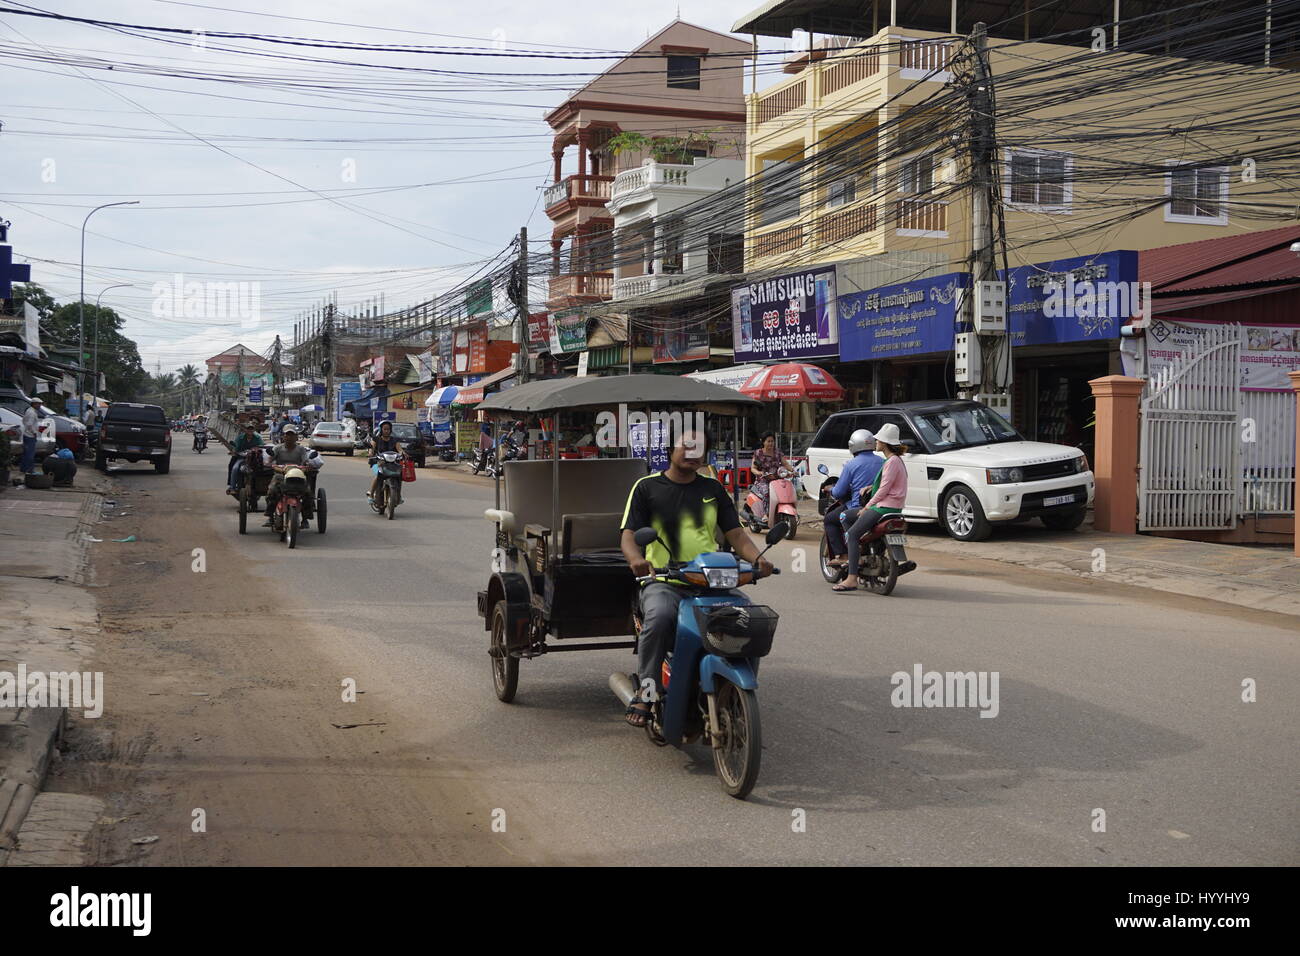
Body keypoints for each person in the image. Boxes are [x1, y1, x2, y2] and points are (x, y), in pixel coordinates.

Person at [619, 430, 774, 728]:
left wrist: (758, 559)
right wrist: (636, 559)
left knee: (747, 619)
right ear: (670, 449)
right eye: (686, 446)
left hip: (711, 581)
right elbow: (628, 534)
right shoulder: (646, 487)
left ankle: (735, 688)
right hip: (664, 581)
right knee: (660, 617)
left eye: (699, 448)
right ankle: (647, 691)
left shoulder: (713, 489)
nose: (692, 453)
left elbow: (736, 534)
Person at [833, 423, 915, 592]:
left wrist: (868, 506)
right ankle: (861, 554)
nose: (875, 442)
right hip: (893, 507)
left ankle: (851, 578)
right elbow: (888, 484)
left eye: (878, 440)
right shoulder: (894, 461)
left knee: (852, 533)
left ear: (884, 443)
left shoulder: (891, 462)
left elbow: (885, 490)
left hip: (883, 508)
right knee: (847, 516)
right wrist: (870, 487)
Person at [824, 429, 883, 567]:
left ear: (853, 445)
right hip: (880, 507)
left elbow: (838, 492)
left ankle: (843, 556)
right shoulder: (883, 461)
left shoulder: (851, 464)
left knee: (829, 520)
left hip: (858, 507)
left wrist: (830, 489)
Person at [263, 424, 313, 527]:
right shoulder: (277, 448)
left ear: (296, 437)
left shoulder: (301, 449)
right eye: (287, 435)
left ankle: (305, 518)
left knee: (308, 493)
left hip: (298, 476)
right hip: (281, 475)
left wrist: (307, 465)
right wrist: (270, 464)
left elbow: (306, 461)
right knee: (272, 491)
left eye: (292, 435)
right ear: (283, 436)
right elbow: (270, 460)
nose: (289, 437)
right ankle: (270, 516)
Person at [750, 432, 792, 526]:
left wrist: (792, 470)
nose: (771, 443)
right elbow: (753, 468)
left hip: (777, 479)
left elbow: (785, 464)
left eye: (772, 441)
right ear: (763, 442)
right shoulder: (758, 453)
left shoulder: (778, 453)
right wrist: (760, 473)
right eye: (768, 441)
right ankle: (765, 514)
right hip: (762, 480)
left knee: (786, 490)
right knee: (766, 492)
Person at [367, 420, 404, 501]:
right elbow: (371, 449)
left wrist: (402, 453)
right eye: (385, 429)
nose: (387, 431)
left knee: (399, 476)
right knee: (378, 475)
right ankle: (371, 494)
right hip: (379, 463)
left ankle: (398, 495)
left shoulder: (394, 440)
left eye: (388, 429)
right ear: (381, 430)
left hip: (392, 464)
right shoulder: (376, 439)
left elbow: (400, 449)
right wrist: (370, 453)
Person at [227, 421, 264, 495]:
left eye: (251, 429)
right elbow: (236, 448)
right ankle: (232, 487)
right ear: (245, 430)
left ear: (254, 430)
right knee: (235, 468)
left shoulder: (258, 437)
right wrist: (234, 452)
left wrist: (256, 450)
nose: (250, 431)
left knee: (262, 469)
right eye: (248, 429)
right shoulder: (240, 438)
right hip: (242, 458)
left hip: (254, 459)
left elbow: (262, 447)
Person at [19, 398, 41, 474]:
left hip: (26, 434)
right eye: (38, 404)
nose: (40, 405)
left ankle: (23, 469)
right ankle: (29, 470)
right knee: (30, 454)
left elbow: (24, 421)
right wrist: (34, 432)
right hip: (30, 436)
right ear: (34, 404)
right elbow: (29, 424)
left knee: (26, 453)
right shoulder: (32, 413)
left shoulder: (29, 410)